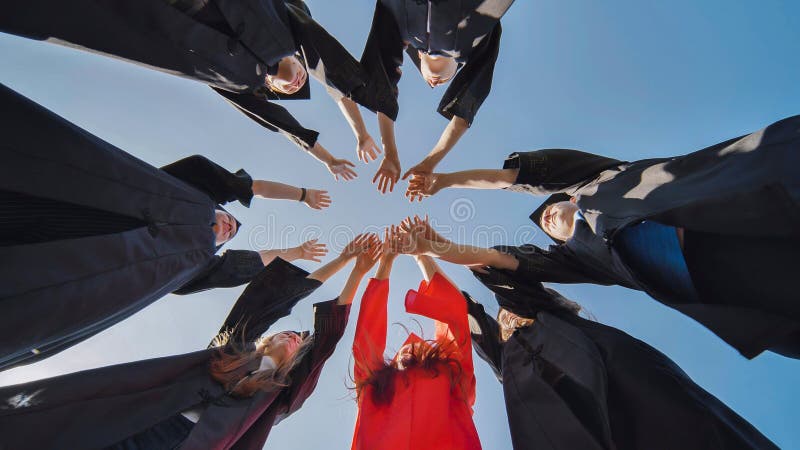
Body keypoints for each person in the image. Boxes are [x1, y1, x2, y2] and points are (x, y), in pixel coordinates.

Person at [404, 116, 800, 359]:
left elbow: (515, 179)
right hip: (725, 279)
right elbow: (499, 259)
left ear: (570, 195)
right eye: (547, 229)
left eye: (551, 212)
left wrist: (446, 181)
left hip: (733, 193)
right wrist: (434, 247)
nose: (550, 220)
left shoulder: (603, 180)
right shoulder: (580, 257)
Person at [0, 84, 328, 371]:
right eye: (228, 219)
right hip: (67, 198)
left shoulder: (193, 264)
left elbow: (247, 263)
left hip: (68, 261)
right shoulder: (190, 188)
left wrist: (294, 252)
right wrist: (302, 195)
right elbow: (251, 187)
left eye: (229, 234)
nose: (229, 226)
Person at [0, 234, 382, 450]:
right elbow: (270, 304)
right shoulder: (231, 351)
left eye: (299, 340)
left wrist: (358, 276)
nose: (291, 334)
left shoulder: (279, 396)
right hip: (136, 422)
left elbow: (327, 339)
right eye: (289, 330)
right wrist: (344, 258)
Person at [0, 0, 383, 179]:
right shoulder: (288, 23)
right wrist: (362, 132)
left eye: (286, 88)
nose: (295, 82)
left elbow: (281, 122)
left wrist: (328, 159)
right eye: (302, 74)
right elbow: (331, 75)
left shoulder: (239, 79)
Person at [463, 275, 779, 450]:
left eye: (512, 310)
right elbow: (468, 315)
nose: (510, 316)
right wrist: (425, 258)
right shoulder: (510, 360)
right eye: (505, 318)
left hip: (626, 386)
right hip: (566, 422)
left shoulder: (551, 315)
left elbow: (509, 279)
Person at [357, 0, 516, 193]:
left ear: (420, 57)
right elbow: (462, 114)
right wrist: (430, 163)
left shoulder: (400, 24)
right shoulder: (479, 35)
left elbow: (382, 84)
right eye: (445, 81)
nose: (435, 81)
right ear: (459, 66)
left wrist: (390, 152)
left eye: (438, 83)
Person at [351, 227, 481, 450]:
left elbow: (454, 315)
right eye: (404, 349)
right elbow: (367, 335)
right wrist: (386, 262)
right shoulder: (376, 385)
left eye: (416, 347)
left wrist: (421, 255)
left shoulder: (453, 375)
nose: (409, 348)